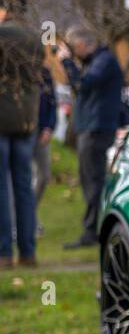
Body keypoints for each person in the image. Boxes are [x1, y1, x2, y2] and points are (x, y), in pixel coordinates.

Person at [58, 25, 124, 249]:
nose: (73, 52)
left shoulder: (104, 61)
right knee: (89, 179)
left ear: (83, 44)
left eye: (74, 48)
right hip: (91, 127)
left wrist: (67, 62)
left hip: (97, 129)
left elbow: (83, 85)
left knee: (94, 180)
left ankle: (92, 232)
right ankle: (93, 230)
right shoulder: (95, 62)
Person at [0, 0, 45, 268]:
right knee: (24, 188)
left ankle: (4, 252)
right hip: (27, 120)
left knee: (1, 188)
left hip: (1, 119)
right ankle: (28, 251)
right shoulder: (36, 40)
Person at [32, 64, 56, 233]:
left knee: (44, 174)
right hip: (19, 132)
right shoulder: (13, 68)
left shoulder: (44, 72)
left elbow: (52, 101)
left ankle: (27, 213)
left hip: (41, 131)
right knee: (21, 178)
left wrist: (49, 126)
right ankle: (28, 222)